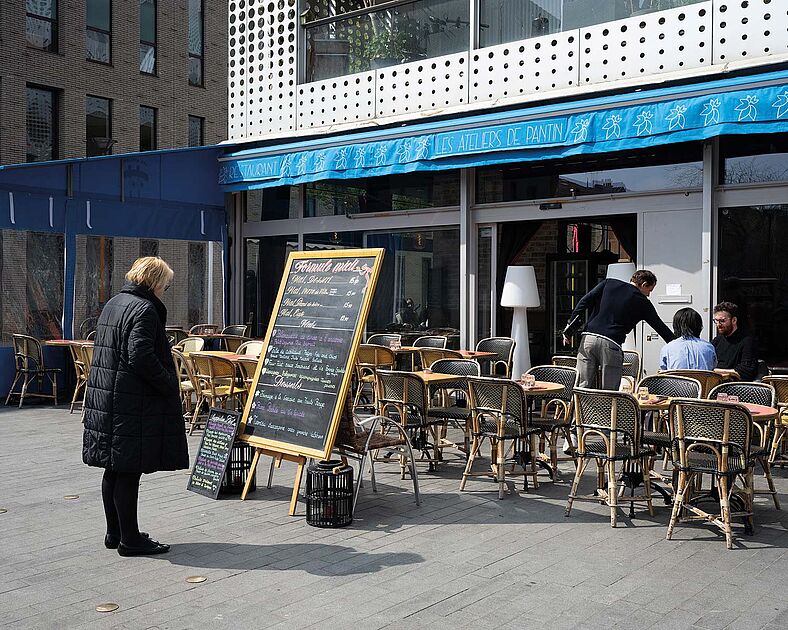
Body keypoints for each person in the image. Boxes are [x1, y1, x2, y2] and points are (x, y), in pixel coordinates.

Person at [82, 257, 188, 556]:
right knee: (128, 470)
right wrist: (167, 381)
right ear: (154, 282)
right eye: (165, 284)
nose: (166, 290)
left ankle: (115, 532)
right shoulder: (145, 309)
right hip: (130, 402)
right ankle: (130, 539)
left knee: (113, 468)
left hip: (107, 399)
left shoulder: (115, 302)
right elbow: (139, 354)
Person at [563, 269, 674, 389]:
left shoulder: (608, 283)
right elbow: (659, 326)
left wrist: (570, 325)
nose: (649, 295)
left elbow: (584, 301)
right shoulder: (643, 303)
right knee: (610, 390)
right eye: (649, 290)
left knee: (582, 385)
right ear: (643, 285)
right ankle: (607, 408)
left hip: (588, 338)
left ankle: (581, 408)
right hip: (611, 343)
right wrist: (677, 344)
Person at [711, 301, 758, 381]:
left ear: (734, 320)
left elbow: (746, 371)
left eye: (722, 321)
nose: (718, 324)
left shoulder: (747, 341)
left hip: (735, 386)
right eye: (716, 321)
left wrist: (714, 371)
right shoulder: (717, 341)